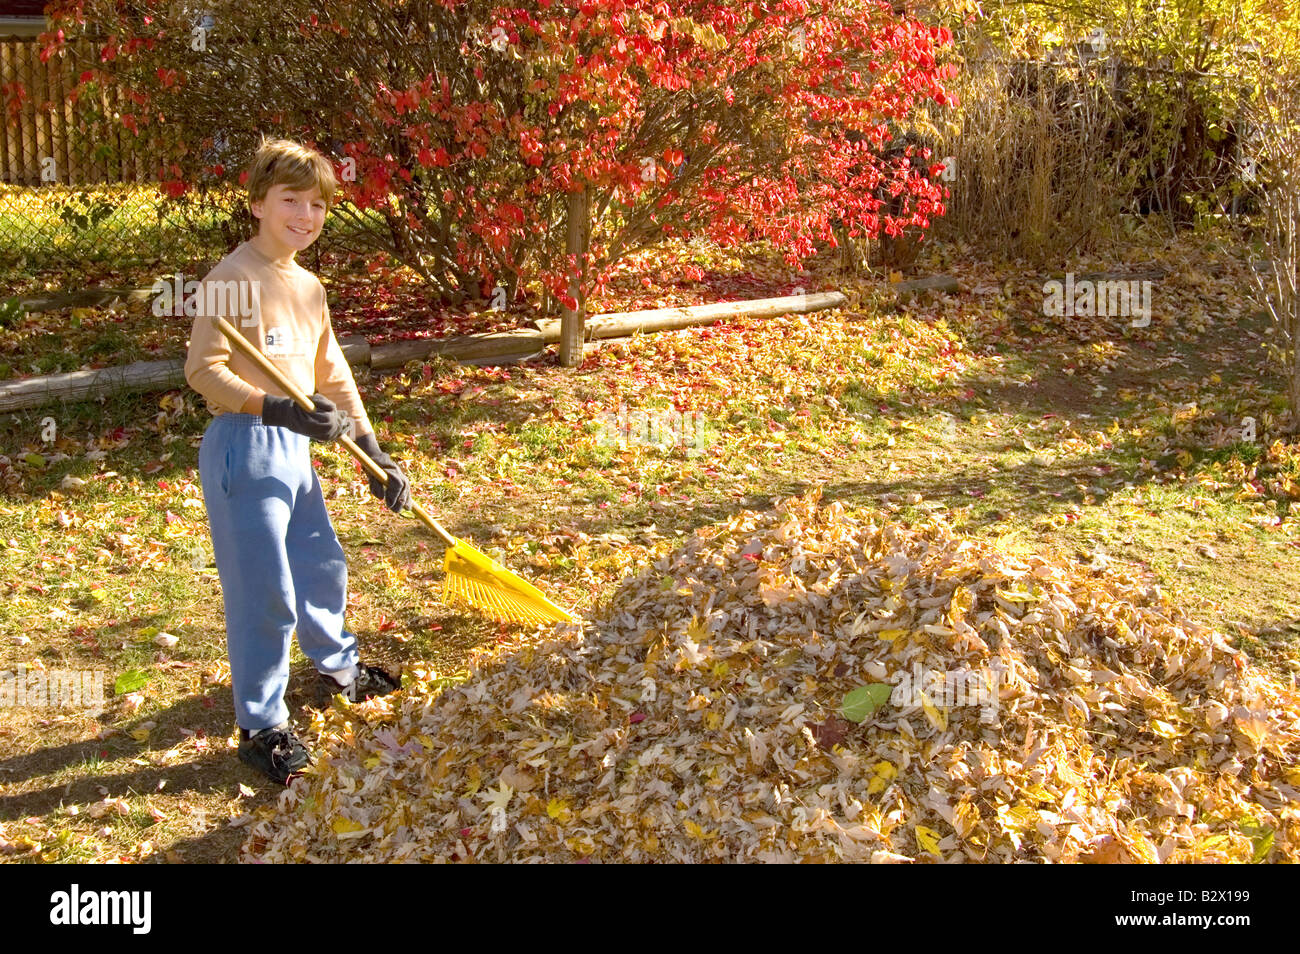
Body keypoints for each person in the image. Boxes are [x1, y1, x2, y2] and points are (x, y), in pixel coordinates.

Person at [184, 136, 413, 784]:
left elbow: (332, 374)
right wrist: (275, 408)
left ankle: (340, 668)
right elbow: (203, 370)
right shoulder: (231, 279)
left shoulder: (309, 287)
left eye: (317, 204)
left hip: (295, 454)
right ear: (258, 202)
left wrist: (372, 452)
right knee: (265, 592)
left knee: (321, 565)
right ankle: (261, 727)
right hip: (244, 446)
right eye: (291, 200)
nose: (305, 215)